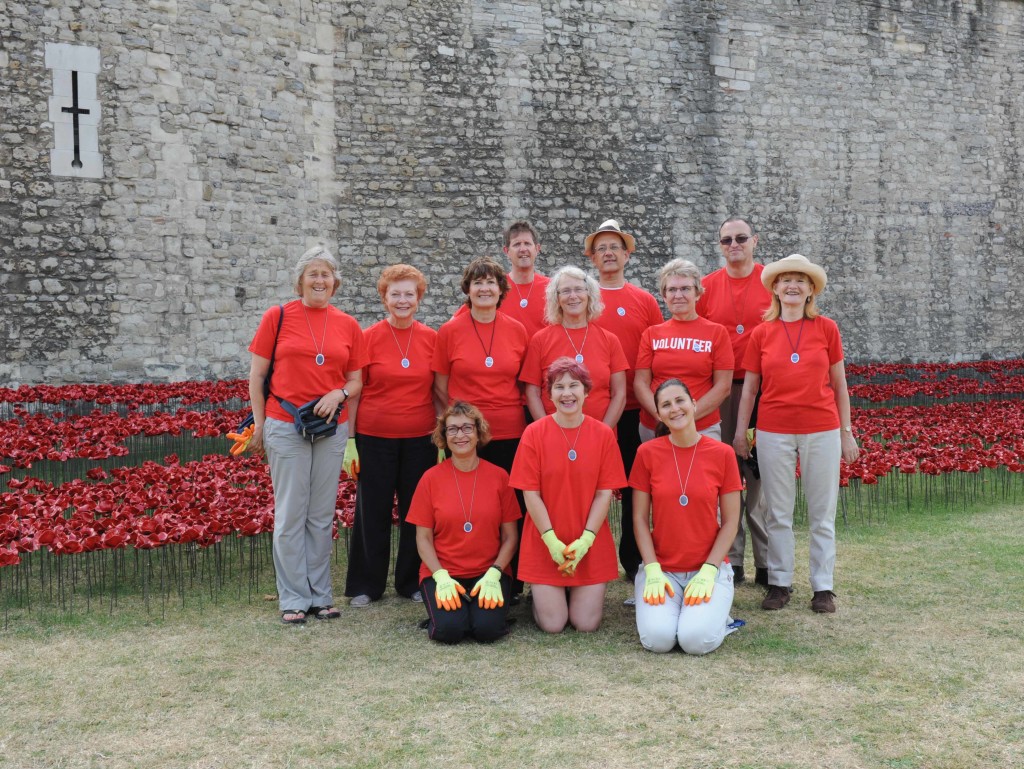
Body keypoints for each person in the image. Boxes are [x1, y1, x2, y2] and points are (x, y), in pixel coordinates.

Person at [732, 254, 860, 614]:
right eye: (785, 280)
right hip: (774, 431)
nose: (792, 285)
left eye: (800, 281)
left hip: (821, 429)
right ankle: (780, 582)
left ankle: (823, 587)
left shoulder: (826, 328)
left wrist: (846, 433)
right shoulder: (761, 333)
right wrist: (742, 432)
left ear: (810, 290)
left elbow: (840, 385)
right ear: (774, 288)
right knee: (778, 512)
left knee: (822, 512)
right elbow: (750, 390)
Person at [245, 244, 365, 624]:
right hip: (285, 423)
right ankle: (293, 597)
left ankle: (320, 596)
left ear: (335, 282)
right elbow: (257, 376)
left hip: (330, 429)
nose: (319, 280)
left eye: (325, 274)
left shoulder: (347, 324)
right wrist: (260, 424)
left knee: (321, 515)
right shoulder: (277, 317)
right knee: (291, 514)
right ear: (300, 281)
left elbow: (357, 379)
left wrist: (339, 393)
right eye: (312, 274)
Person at [344, 265, 440, 608]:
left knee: (417, 513)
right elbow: (355, 392)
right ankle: (365, 585)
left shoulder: (432, 339)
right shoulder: (367, 338)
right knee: (373, 511)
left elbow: (439, 392)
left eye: (409, 294)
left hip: (421, 440)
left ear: (419, 298)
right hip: (374, 437)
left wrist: (443, 438)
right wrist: (351, 441)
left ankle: (412, 582)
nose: (402, 300)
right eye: (395, 294)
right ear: (384, 297)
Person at [510, 357, 627, 633]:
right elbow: (531, 493)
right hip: (545, 541)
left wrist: (586, 540)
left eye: (574, 386)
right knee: (553, 625)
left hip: (588, 542)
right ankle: (542, 596)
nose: (567, 394)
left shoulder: (603, 434)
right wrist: (550, 540)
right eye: (559, 387)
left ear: (586, 392)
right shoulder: (533, 433)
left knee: (585, 624)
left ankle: (562, 591)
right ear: (548, 394)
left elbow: (603, 494)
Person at [631, 378, 742, 654]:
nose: (675, 409)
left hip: (707, 568)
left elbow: (730, 522)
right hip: (662, 570)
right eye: (666, 405)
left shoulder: (723, 454)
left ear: (693, 404)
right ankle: (682, 608)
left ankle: (719, 618)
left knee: (695, 641)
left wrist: (710, 569)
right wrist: (652, 568)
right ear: (658, 414)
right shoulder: (647, 453)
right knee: (657, 641)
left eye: (680, 401)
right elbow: (639, 520)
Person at [584, 219, 664, 585]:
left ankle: (633, 561)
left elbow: (658, 352)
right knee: (585, 487)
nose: (609, 253)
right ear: (593, 258)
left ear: (627, 255)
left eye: (615, 247)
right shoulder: (584, 299)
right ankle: (585, 557)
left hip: (635, 410)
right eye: (601, 248)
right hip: (589, 413)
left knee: (635, 489)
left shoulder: (644, 300)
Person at [696, 216, 773, 585]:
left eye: (741, 238)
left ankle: (767, 562)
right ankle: (732, 558)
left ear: (754, 241)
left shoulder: (771, 283)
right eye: (726, 240)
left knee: (759, 478)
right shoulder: (707, 287)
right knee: (723, 475)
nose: (734, 245)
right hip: (721, 389)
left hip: (762, 391)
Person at [407, 402, 521, 643]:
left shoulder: (500, 476)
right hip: (445, 573)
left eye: (467, 428)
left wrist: (496, 572)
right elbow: (423, 538)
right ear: (443, 436)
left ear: (479, 433)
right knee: (450, 632)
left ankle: (475, 612)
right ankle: (449, 615)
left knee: (487, 631)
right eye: (452, 429)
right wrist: (439, 575)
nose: (460, 435)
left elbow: (511, 536)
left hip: (489, 572)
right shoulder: (430, 479)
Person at [433, 257, 529, 474]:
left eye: (490, 282)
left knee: (509, 499)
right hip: (464, 432)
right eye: (477, 283)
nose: (484, 289)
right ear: (468, 289)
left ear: (500, 289)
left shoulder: (518, 330)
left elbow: (523, 382)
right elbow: (440, 386)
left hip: (509, 431)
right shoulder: (449, 331)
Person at [634, 259, 734, 444]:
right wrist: (663, 416)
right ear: (664, 296)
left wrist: (685, 417)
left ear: (698, 293)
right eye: (671, 290)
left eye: (685, 288)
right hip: (656, 426)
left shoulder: (716, 333)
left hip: (702, 426)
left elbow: (723, 387)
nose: (678, 295)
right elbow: (640, 383)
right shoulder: (651, 334)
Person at [520, 265, 628, 429]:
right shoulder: (540, 340)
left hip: (600, 436)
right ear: (556, 298)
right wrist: (548, 429)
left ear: (589, 294)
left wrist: (604, 432)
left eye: (579, 289)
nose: (573, 296)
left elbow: (619, 393)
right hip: (554, 436)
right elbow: (532, 393)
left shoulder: (610, 340)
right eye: (565, 291)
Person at [454, 221, 550, 340]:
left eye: (527, 243)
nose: (523, 249)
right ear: (506, 251)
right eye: (516, 244)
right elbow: (454, 322)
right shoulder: (494, 288)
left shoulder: (552, 288)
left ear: (537, 249)